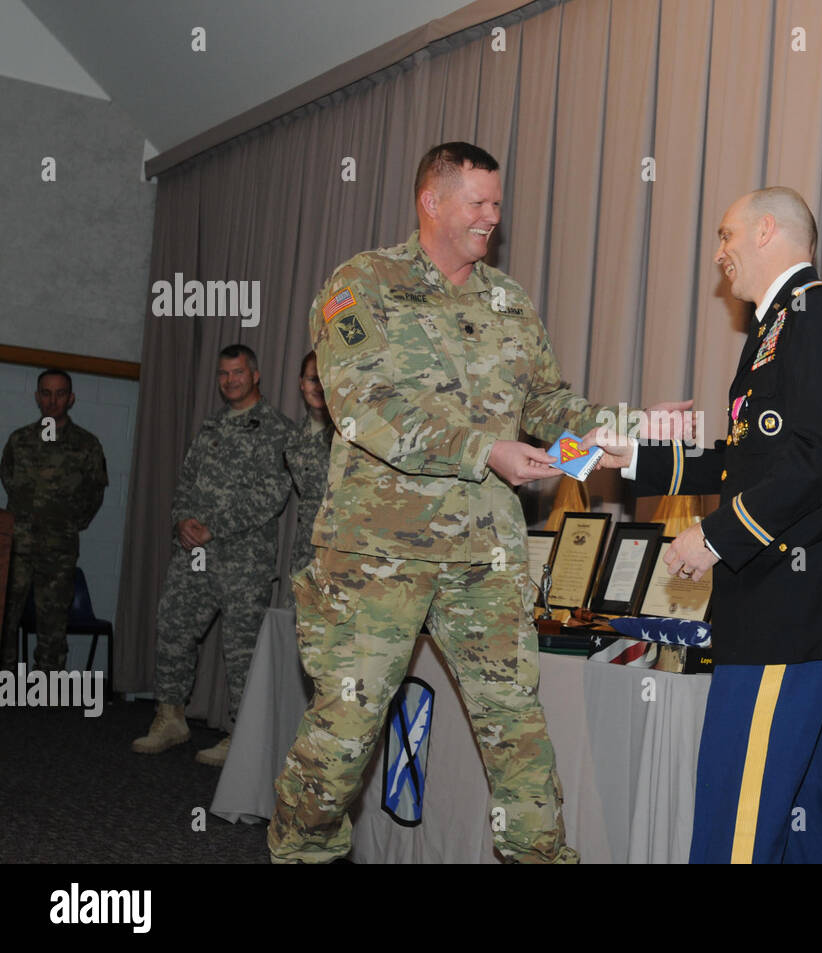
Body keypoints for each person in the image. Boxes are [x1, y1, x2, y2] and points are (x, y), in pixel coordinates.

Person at [269, 141, 686, 864]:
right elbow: (364, 406)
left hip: (483, 557)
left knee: (517, 732)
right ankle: (300, 851)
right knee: (343, 740)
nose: (492, 217)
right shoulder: (363, 282)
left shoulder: (508, 301)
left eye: (498, 204)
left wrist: (625, 426)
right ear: (432, 201)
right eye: (478, 203)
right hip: (377, 555)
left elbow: (547, 403)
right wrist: (480, 450)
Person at [587, 187, 822, 863]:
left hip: (786, 613)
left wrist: (713, 537)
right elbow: (745, 461)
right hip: (782, 612)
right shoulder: (777, 329)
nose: (719, 254)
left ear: (768, 231)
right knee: (800, 814)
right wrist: (639, 457)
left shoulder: (819, 314)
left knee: (736, 822)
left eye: (727, 236)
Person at [131, 344, 294, 765]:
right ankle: (170, 718)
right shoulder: (211, 426)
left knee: (241, 651)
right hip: (194, 556)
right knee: (172, 628)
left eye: (237, 373)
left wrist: (213, 527)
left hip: (244, 561)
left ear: (255, 376)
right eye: (223, 374)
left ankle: (239, 737)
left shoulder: (278, 428)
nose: (229, 381)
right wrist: (182, 519)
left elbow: (271, 495)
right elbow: (186, 481)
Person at [0, 369, 108, 672]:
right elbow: (7, 479)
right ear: (37, 397)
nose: (52, 400)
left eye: (60, 393)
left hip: (58, 548)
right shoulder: (18, 441)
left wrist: (65, 524)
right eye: (46, 393)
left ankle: (46, 687)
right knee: (4, 617)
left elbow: (94, 494)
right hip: (16, 546)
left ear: (70, 399)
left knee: (52, 623)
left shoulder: (87, 445)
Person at [283, 350, 332, 582]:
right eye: (313, 379)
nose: (319, 387)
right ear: (301, 383)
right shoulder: (292, 436)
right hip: (304, 552)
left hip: (337, 554)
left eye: (325, 379)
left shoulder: (349, 435)